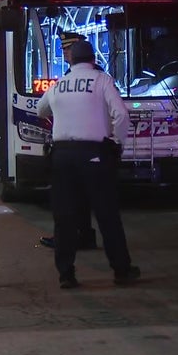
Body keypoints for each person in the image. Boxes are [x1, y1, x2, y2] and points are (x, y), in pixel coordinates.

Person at [37, 40, 141, 289]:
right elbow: (121, 115)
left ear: (70, 60)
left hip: (62, 156)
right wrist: (118, 143)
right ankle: (121, 270)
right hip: (94, 154)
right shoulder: (102, 80)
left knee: (64, 217)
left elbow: (41, 110)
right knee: (107, 215)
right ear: (93, 59)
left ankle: (66, 274)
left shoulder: (59, 84)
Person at [39, 31, 98, 250]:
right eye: (63, 50)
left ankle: (69, 239)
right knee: (81, 198)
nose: (64, 54)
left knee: (68, 198)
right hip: (90, 148)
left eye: (67, 50)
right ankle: (83, 235)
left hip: (77, 147)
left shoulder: (75, 79)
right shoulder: (93, 76)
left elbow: (42, 109)